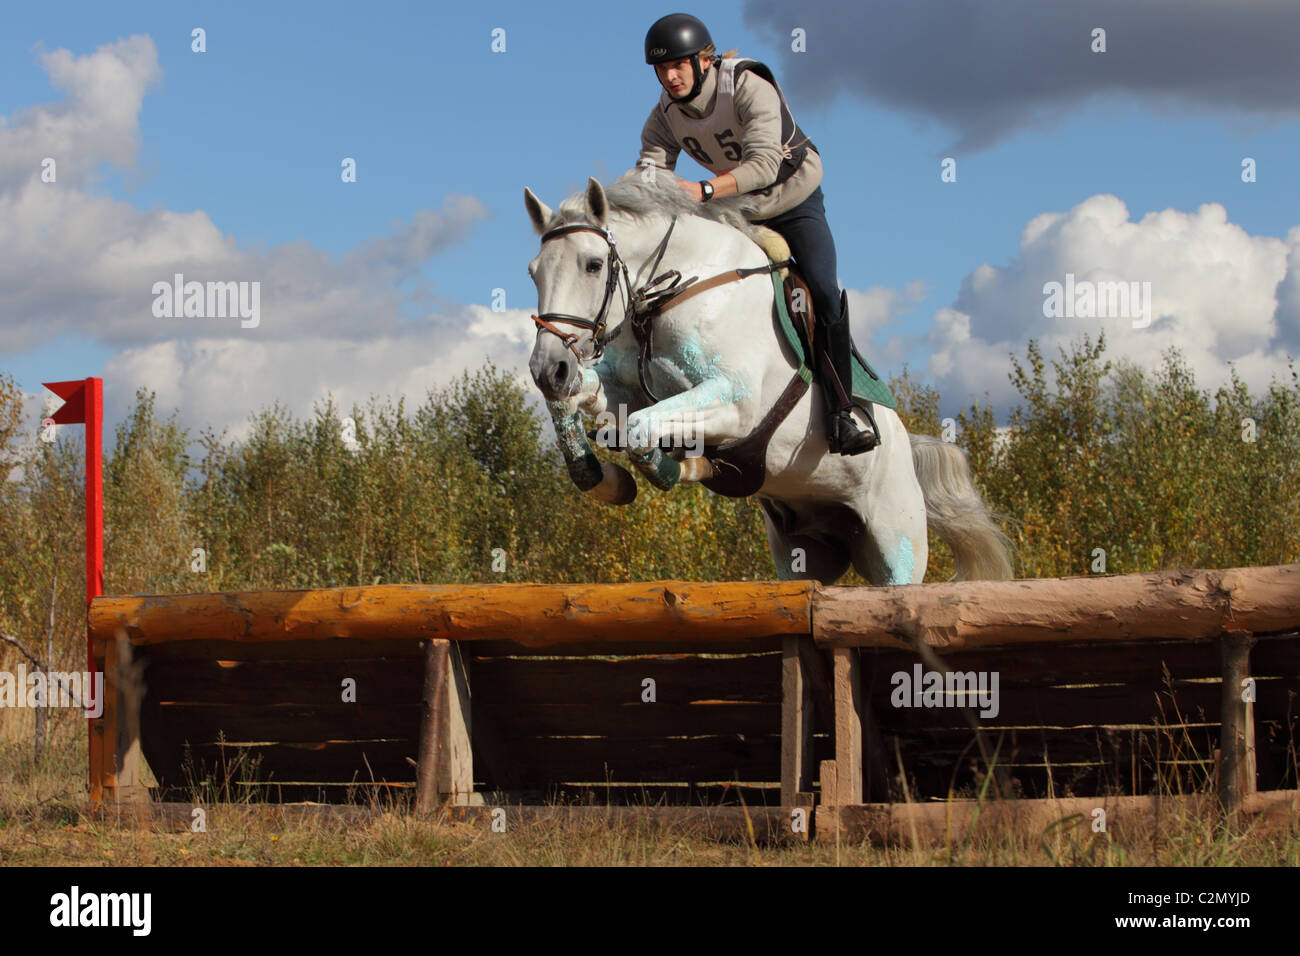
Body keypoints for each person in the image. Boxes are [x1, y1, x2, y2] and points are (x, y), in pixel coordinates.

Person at [636, 12, 877, 455]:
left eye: (678, 66)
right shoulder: (665, 116)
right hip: (740, 211)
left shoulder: (748, 84)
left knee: (821, 288)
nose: (670, 78)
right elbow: (649, 173)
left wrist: (705, 189)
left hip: (793, 199)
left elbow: (766, 165)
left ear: (703, 61)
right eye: (661, 70)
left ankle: (847, 409)